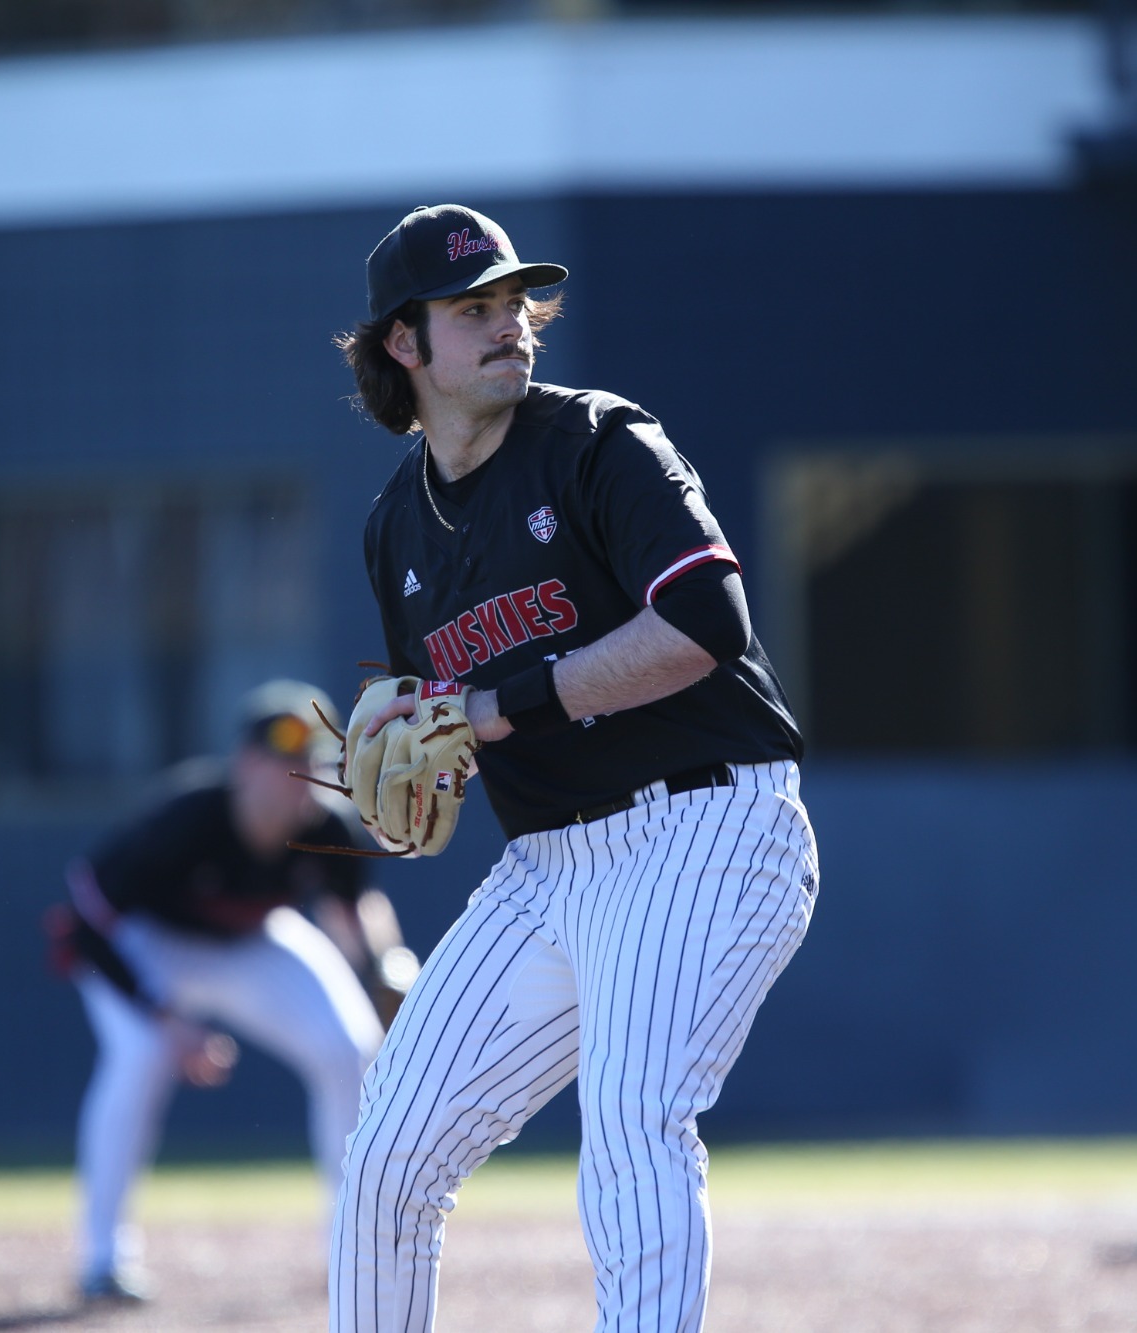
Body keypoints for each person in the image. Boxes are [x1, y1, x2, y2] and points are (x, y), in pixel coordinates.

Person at [325, 204, 818, 1332]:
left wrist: (496, 707)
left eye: (515, 302)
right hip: (549, 868)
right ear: (403, 342)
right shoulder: (395, 527)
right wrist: (415, 778)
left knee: (635, 1117)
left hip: (706, 828)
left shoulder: (599, 442)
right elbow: (448, 736)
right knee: (390, 1152)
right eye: (473, 308)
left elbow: (707, 621)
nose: (510, 324)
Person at [50, 680, 404, 1302]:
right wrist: (165, 1017)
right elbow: (88, 923)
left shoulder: (327, 823)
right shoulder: (189, 817)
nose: (303, 779)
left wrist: (384, 970)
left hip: (253, 940)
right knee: (140, 1057)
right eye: (287, 763)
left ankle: (352, 1248)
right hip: (145, 947)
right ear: (245, 765)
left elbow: (354, 909)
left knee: (349, 1049)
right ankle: (104, 1259)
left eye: (316, 763)